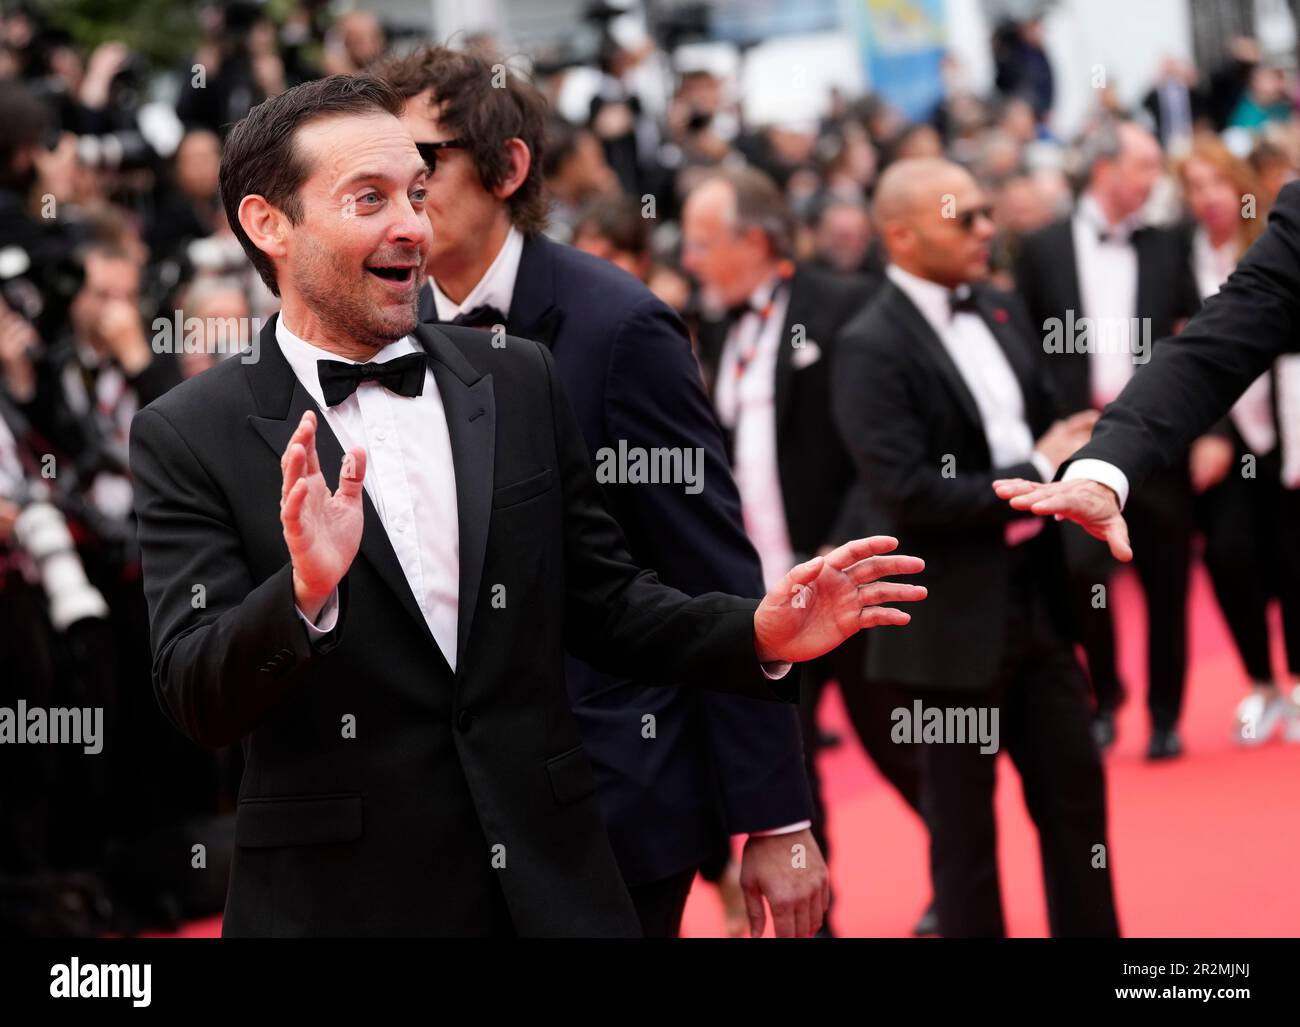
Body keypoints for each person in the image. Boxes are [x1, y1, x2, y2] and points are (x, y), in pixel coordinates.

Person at [130, 73, 927, 938]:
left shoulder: (513, 377)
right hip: (342, 904)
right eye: (369, 198)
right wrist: (303, 596)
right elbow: (196, 696)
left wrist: (755, 633)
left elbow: (607, 602)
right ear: (268, 225)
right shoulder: (187, 434)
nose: (412, 225)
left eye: (418, 193)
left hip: (555, 885)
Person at [375, 45, 832, 940]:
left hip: (613, 795)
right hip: (449, 808)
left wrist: (775, 815)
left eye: (423, 163)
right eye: (381, 172)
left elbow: (713, 571)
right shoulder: (386, 326)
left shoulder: (621, 327)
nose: (402, 193)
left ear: (508, 167)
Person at [835, 157, 1119, 938]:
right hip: (944, 629)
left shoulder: (998, 306)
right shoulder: (868, 344)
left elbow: (1057, 425)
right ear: (901, 232)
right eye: (966, 218)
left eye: (989, 213)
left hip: (1040, 597)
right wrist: (1032, 473)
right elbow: (907, 493)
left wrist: (1057, 460)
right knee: (964, 843)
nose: (987, 231)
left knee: (1079, 815)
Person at [684, 165, 934, 935]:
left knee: (899, 741)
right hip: (765, 599)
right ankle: (814, 921)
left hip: (845, 577)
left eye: (702, 242)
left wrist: (846, 549)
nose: (690, 259)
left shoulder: (845, 302)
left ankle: (960, 872)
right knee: (787, 765)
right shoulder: (716, 329)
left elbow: (884, 443)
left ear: (753, 239)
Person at [1015, 119, 1203, 759]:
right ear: (1104, 171)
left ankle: (1165, 715)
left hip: (1159, 440)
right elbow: (1027, 348)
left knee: (1167, 582)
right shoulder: (1040, 248)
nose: (1157, 179)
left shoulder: (1171, 243)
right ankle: (1107, 696)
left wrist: (1210, 429)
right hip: (1078, 445)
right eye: (1145, 166)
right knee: (1082, 581)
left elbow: (1198, 337)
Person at [1176, 135, 1300, 743]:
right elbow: (1182, 352)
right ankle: (1260, 682)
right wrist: (1214, 431)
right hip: (1217, 438)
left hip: (1287, 427)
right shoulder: (1179, 256)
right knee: (1227, 556)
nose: (1208, 199)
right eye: (1194, 189)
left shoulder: (1272, 246)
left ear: (1241, 184)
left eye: (1216, 184)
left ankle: (1299, 682)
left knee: (1293, 552)